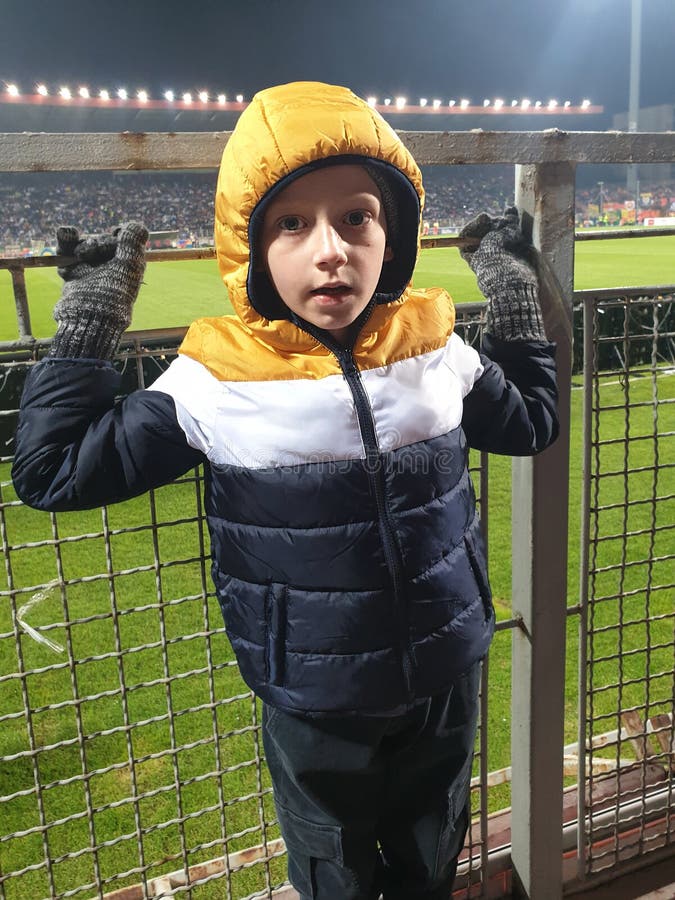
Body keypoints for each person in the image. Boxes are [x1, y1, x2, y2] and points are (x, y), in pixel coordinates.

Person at [12, 81, 558, 899]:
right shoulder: (213, 381)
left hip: (446, 673)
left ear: (394, 234)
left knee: (430, 856)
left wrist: (511, 295)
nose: (330, 249)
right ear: (248, 246)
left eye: (356, 217)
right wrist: (91, 317)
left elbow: (531, 423)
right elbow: (52, 473)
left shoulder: (435, 347)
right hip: (314, 699)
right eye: (291, 223)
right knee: (331, 870)